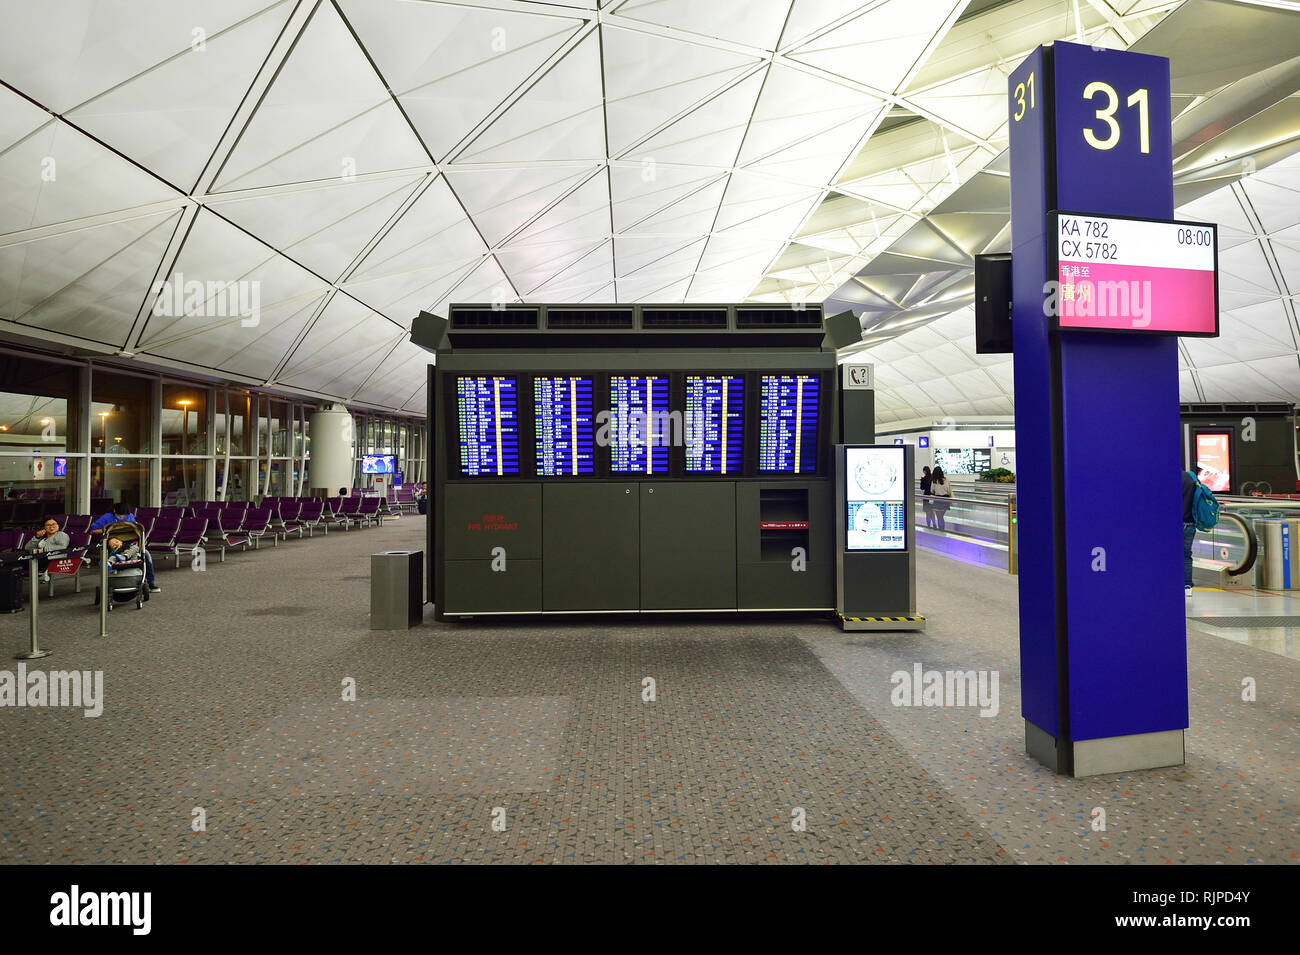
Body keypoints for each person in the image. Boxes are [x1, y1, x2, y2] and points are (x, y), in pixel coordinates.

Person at [91, 503, 159, 592]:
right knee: (112, 557)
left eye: (124, 515)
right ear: (114, 511)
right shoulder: (106, 517)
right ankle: (110, 582)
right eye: (119, 515)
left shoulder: (130, 516)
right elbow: (93, 530)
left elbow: (135, 531)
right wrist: (107, 530)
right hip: (114, 543)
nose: (122, 517)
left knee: (146, 556)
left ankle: (151, 583)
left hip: (130, 542)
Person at [26, 517, 70, 583]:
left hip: (48, 560)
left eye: (54, 524)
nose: (51, 526)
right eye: (48, 525)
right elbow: (27, 548)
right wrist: (37, 537)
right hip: (37, 558)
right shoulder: (43, 538)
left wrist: (43, 550)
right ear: (44, 527)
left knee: (14, 564)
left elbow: (62, 547)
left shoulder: (61, 535)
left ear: (58, 525)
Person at [1183, 468, 1198, 597]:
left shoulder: (1167, 479)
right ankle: (1187, 585)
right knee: (1186, 555)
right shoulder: (1190, 478)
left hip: (1171, 523)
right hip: (1190, 523)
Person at [929, 466, 953, 531]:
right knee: (941, 516)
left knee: (939, 516)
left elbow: (932, 490)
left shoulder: (934, 481)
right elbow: (949, 490)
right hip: (945, 499)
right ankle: (942, 529)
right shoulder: (947, 480)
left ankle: (941, 529)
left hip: (937, 499)